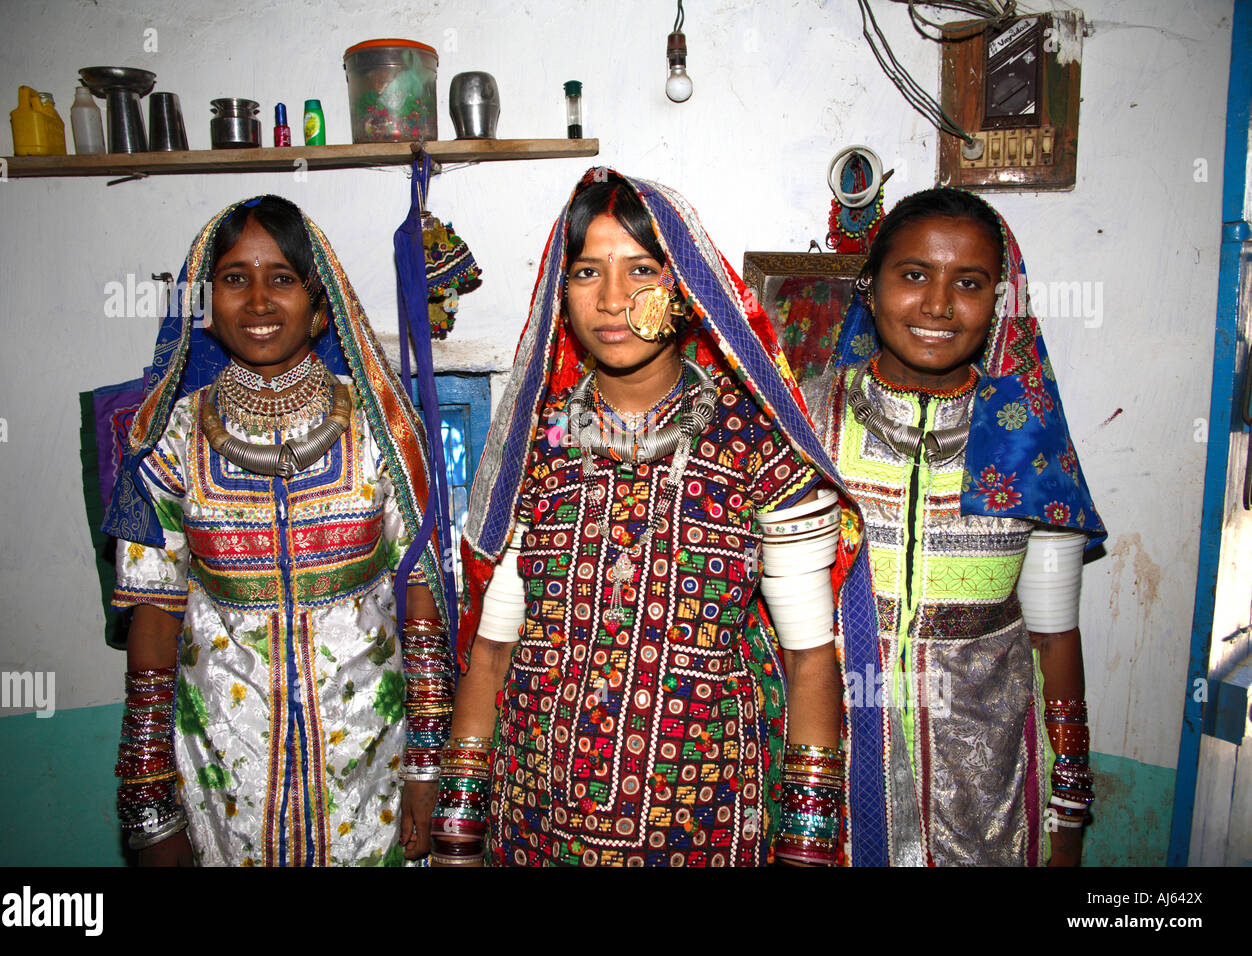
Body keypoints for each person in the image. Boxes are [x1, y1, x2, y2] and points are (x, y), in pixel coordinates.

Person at [430, 169, 865, 867]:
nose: (611, 300)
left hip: (705, 822)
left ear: (684, 289)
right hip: (538, 816)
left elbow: (809, 659)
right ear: (560, 292)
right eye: (585, 272)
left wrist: (805, 849)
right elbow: (490, 653)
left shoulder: (755, 442)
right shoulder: (529, 444)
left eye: (641, 270)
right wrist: (458, 837)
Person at [101, 196, 453, 866]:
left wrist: (429, 765)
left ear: (319, 303)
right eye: (235, 278)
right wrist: (148, 799)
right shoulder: (166, 441)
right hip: (221, 780)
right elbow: (153, 617)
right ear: (207, 303)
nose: (258, 300)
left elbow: (424, 604)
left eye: (282, 278)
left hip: (372, 774)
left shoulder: (383, 429)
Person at [804, 187, 1106, 866]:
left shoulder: (1026, 437)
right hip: (826, 773)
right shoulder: (806, 422)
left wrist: (1069, 820)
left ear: (997, 301)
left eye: (968, 283)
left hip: (984, 794)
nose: (939, 305)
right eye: (914, 275)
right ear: (871, 289)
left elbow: (1055, 640)